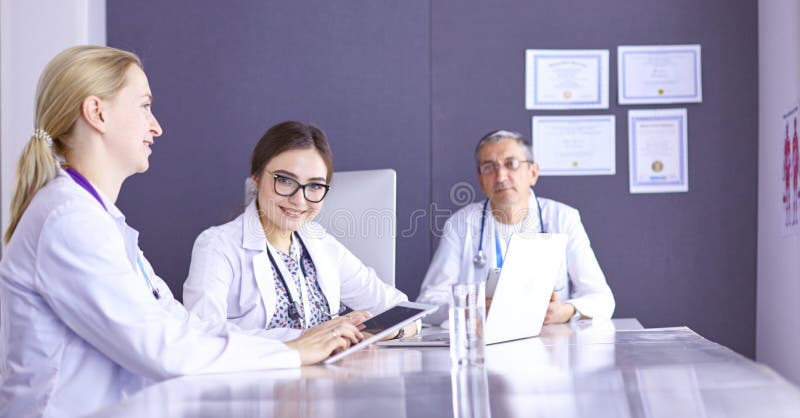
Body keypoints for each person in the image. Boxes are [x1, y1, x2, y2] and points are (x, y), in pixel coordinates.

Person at [0, 46, 363, 418]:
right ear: (97, 113)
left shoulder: (96, 217)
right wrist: (290, 353)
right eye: (144, 106)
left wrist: (299, 340)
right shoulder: (68, 221)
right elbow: (165, 350)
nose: (156, 126)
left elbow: (184, 328)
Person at [183, 121, 417, 340]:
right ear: (256, 178)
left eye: (314, 186)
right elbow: (201, 339)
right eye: (285, 180)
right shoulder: (217, 245)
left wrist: (382, 331)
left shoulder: (320, 244)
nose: (299, 199)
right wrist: (312, 336)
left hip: (331, 380)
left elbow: (405, 311)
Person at [417, 129, 615, 325]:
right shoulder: (461, 223)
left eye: (511, 164)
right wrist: (472, 307)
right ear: (480, 180)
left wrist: (567, 310)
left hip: (549, 344)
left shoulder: (563, 218)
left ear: (533, 173)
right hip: (484, 344)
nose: (501, 176)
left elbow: (602, 299)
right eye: (489, 167)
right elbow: (428, 303)